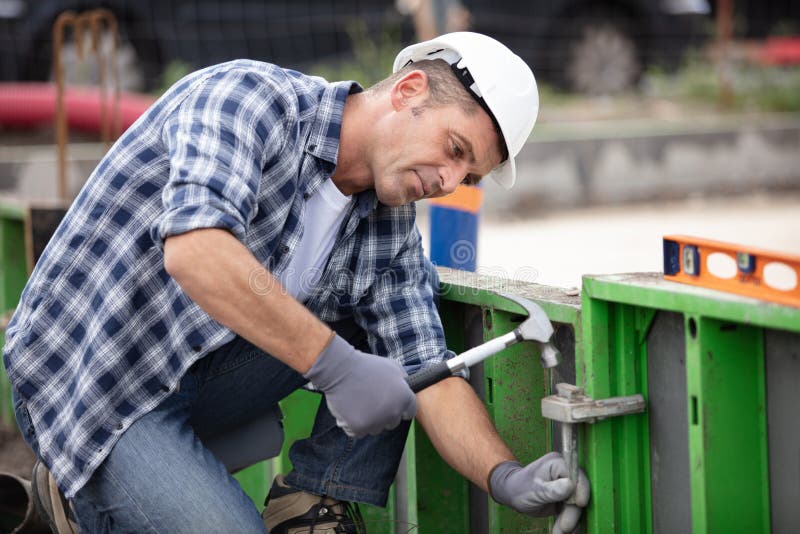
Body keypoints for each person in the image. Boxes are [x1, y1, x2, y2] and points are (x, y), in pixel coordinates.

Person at [3, 32, 589, 533]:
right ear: (409, 91)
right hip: (92, 383)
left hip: (199, 374)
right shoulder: (248, 100)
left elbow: (427, 373)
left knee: (388, 346)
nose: (449, 180)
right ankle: (78, 494)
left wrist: (504, 475)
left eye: (469, 174)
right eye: (454, 150)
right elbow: (197, 251)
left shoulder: (389, 232)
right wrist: (335, 364)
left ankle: (310, 504)